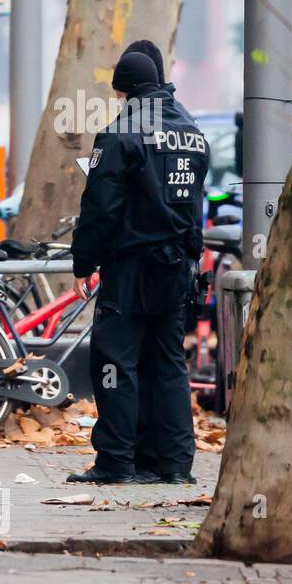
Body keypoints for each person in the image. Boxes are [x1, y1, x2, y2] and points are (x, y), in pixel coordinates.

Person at [69, 49, 209, 485]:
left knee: (114, 362)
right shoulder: (192, 131)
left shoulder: (120, 134)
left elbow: (100, 207)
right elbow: (194, 204)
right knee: (167, 364)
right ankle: (173, 465)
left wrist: (83, 261)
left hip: (130, 267)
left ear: (122, 90)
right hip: (177, 267)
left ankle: (115, 461)